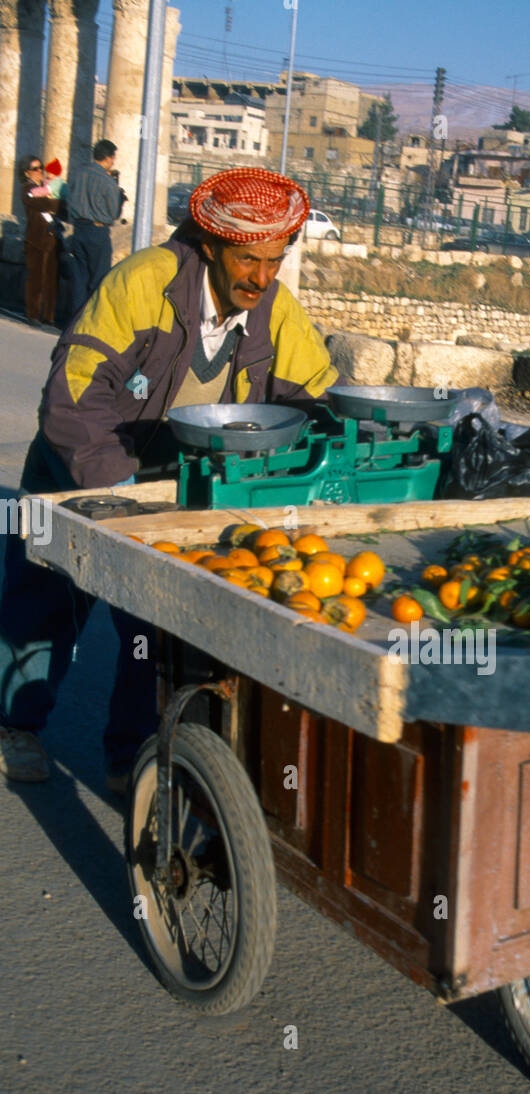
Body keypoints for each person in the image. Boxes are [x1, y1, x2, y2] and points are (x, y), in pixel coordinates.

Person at [0, 166, 341, 790]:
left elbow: (318, 399)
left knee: (155, 625)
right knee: (45, 600)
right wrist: (115, 490)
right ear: (211, 245)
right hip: (83, 459)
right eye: (248, 260)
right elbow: (71, 396)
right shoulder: (145, 281)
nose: (261, 278)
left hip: (170, 484)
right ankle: (15, 723)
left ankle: (132, 759)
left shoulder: (274, 311)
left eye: (275, 260)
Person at [66, 138, 124, 323]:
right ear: (108, 157)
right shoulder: (107, 181)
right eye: (113, 157)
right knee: (98, 279)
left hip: (79, 229)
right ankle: (91, 322)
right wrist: (120, 197)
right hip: (97, 231)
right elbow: (113, 212)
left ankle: (75, 321)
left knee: (80, 278)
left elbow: (69, 200)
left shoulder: (78, 174)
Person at [18, 155, 61, 326]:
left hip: (51, 239)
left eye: (41, 167)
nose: (40, 171)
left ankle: (48, 315)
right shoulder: (27, 189)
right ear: (27, 172)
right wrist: (55, 202)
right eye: (35, 168)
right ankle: (33, 313)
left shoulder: (46, 188)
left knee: (51, 279)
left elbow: (59, 206)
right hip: (35, 239)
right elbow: (47, 205)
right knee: (35, 278)